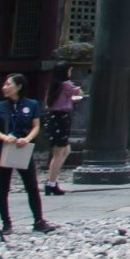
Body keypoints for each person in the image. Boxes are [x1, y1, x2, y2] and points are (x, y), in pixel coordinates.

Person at [0, 73, 56, 235]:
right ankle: (6, 223)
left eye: (8, 84)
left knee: (31, 186)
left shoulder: (31, 105)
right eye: (4, 84)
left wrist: (27, 139)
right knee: (3, 187)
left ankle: (38, 220)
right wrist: (5, 138)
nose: (5, 87)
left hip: (22, 148)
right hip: (4, 149)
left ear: (19, 87)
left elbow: (36, 126)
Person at [42, 67, 83, 195]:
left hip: (53, 117)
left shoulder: (54, 85)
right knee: (59, 152)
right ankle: (51, 183)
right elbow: (79, 92)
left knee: (65, 150)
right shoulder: (66, 84)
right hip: (61, 118)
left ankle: (52, 181)